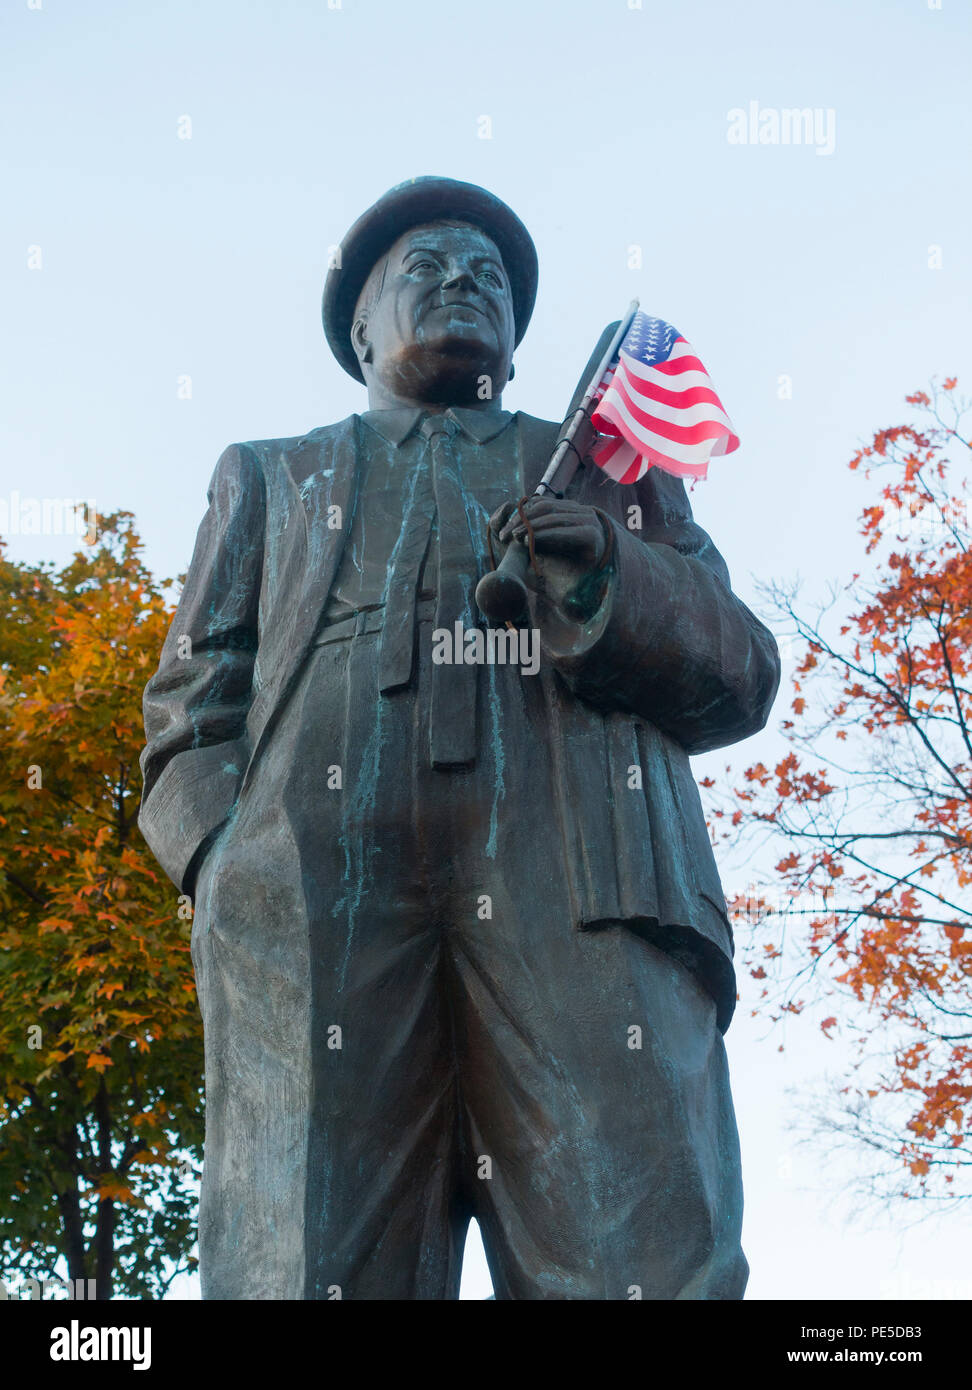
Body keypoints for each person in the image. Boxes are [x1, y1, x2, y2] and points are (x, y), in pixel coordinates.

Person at [139, 176, 780, 1300]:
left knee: (637, 1252)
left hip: (581, 869)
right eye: (425, 269)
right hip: (313, 883)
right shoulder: (271, 474)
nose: (462, 284)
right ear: (361, 326)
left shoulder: (609, 472)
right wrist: (229, 858)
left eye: (488, 275)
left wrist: (610, 570)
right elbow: (193, 701)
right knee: (306, 1258)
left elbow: (740, 670)